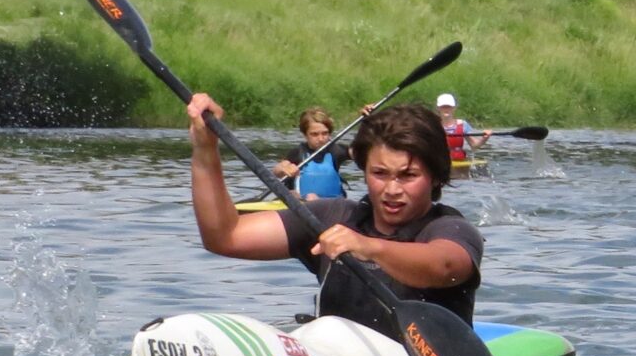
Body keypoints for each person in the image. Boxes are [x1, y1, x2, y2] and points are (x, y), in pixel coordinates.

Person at [184, 96, 485, 323]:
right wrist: (205, 148)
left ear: (435, 176)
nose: (392, 189)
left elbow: (444, 266)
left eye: (408, 176)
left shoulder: (451, 229)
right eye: (379, 174)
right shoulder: (334, 218)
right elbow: (225, 236)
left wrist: (369, 247)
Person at [273, 106, 352, 200]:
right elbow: (277, 170)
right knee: (305, 196)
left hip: (333, 206)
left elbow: (362, 151)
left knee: (312, 197)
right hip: (304, 205)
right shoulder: (298, 153)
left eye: (325, 133)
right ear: (305, 135)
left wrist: (367, 122)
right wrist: (284, 169)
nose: (321, 139)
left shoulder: (336, 151)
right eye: (315, 134)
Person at [435, 92, 489, 165]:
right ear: (438, 108)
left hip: (459, 163)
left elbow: (474, 146)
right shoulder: (433, 125)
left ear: (454, 108)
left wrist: (484, 138)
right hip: (440, 163)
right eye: (443, 107)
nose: (446, 109)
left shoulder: (462, 124)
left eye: (449, 106)